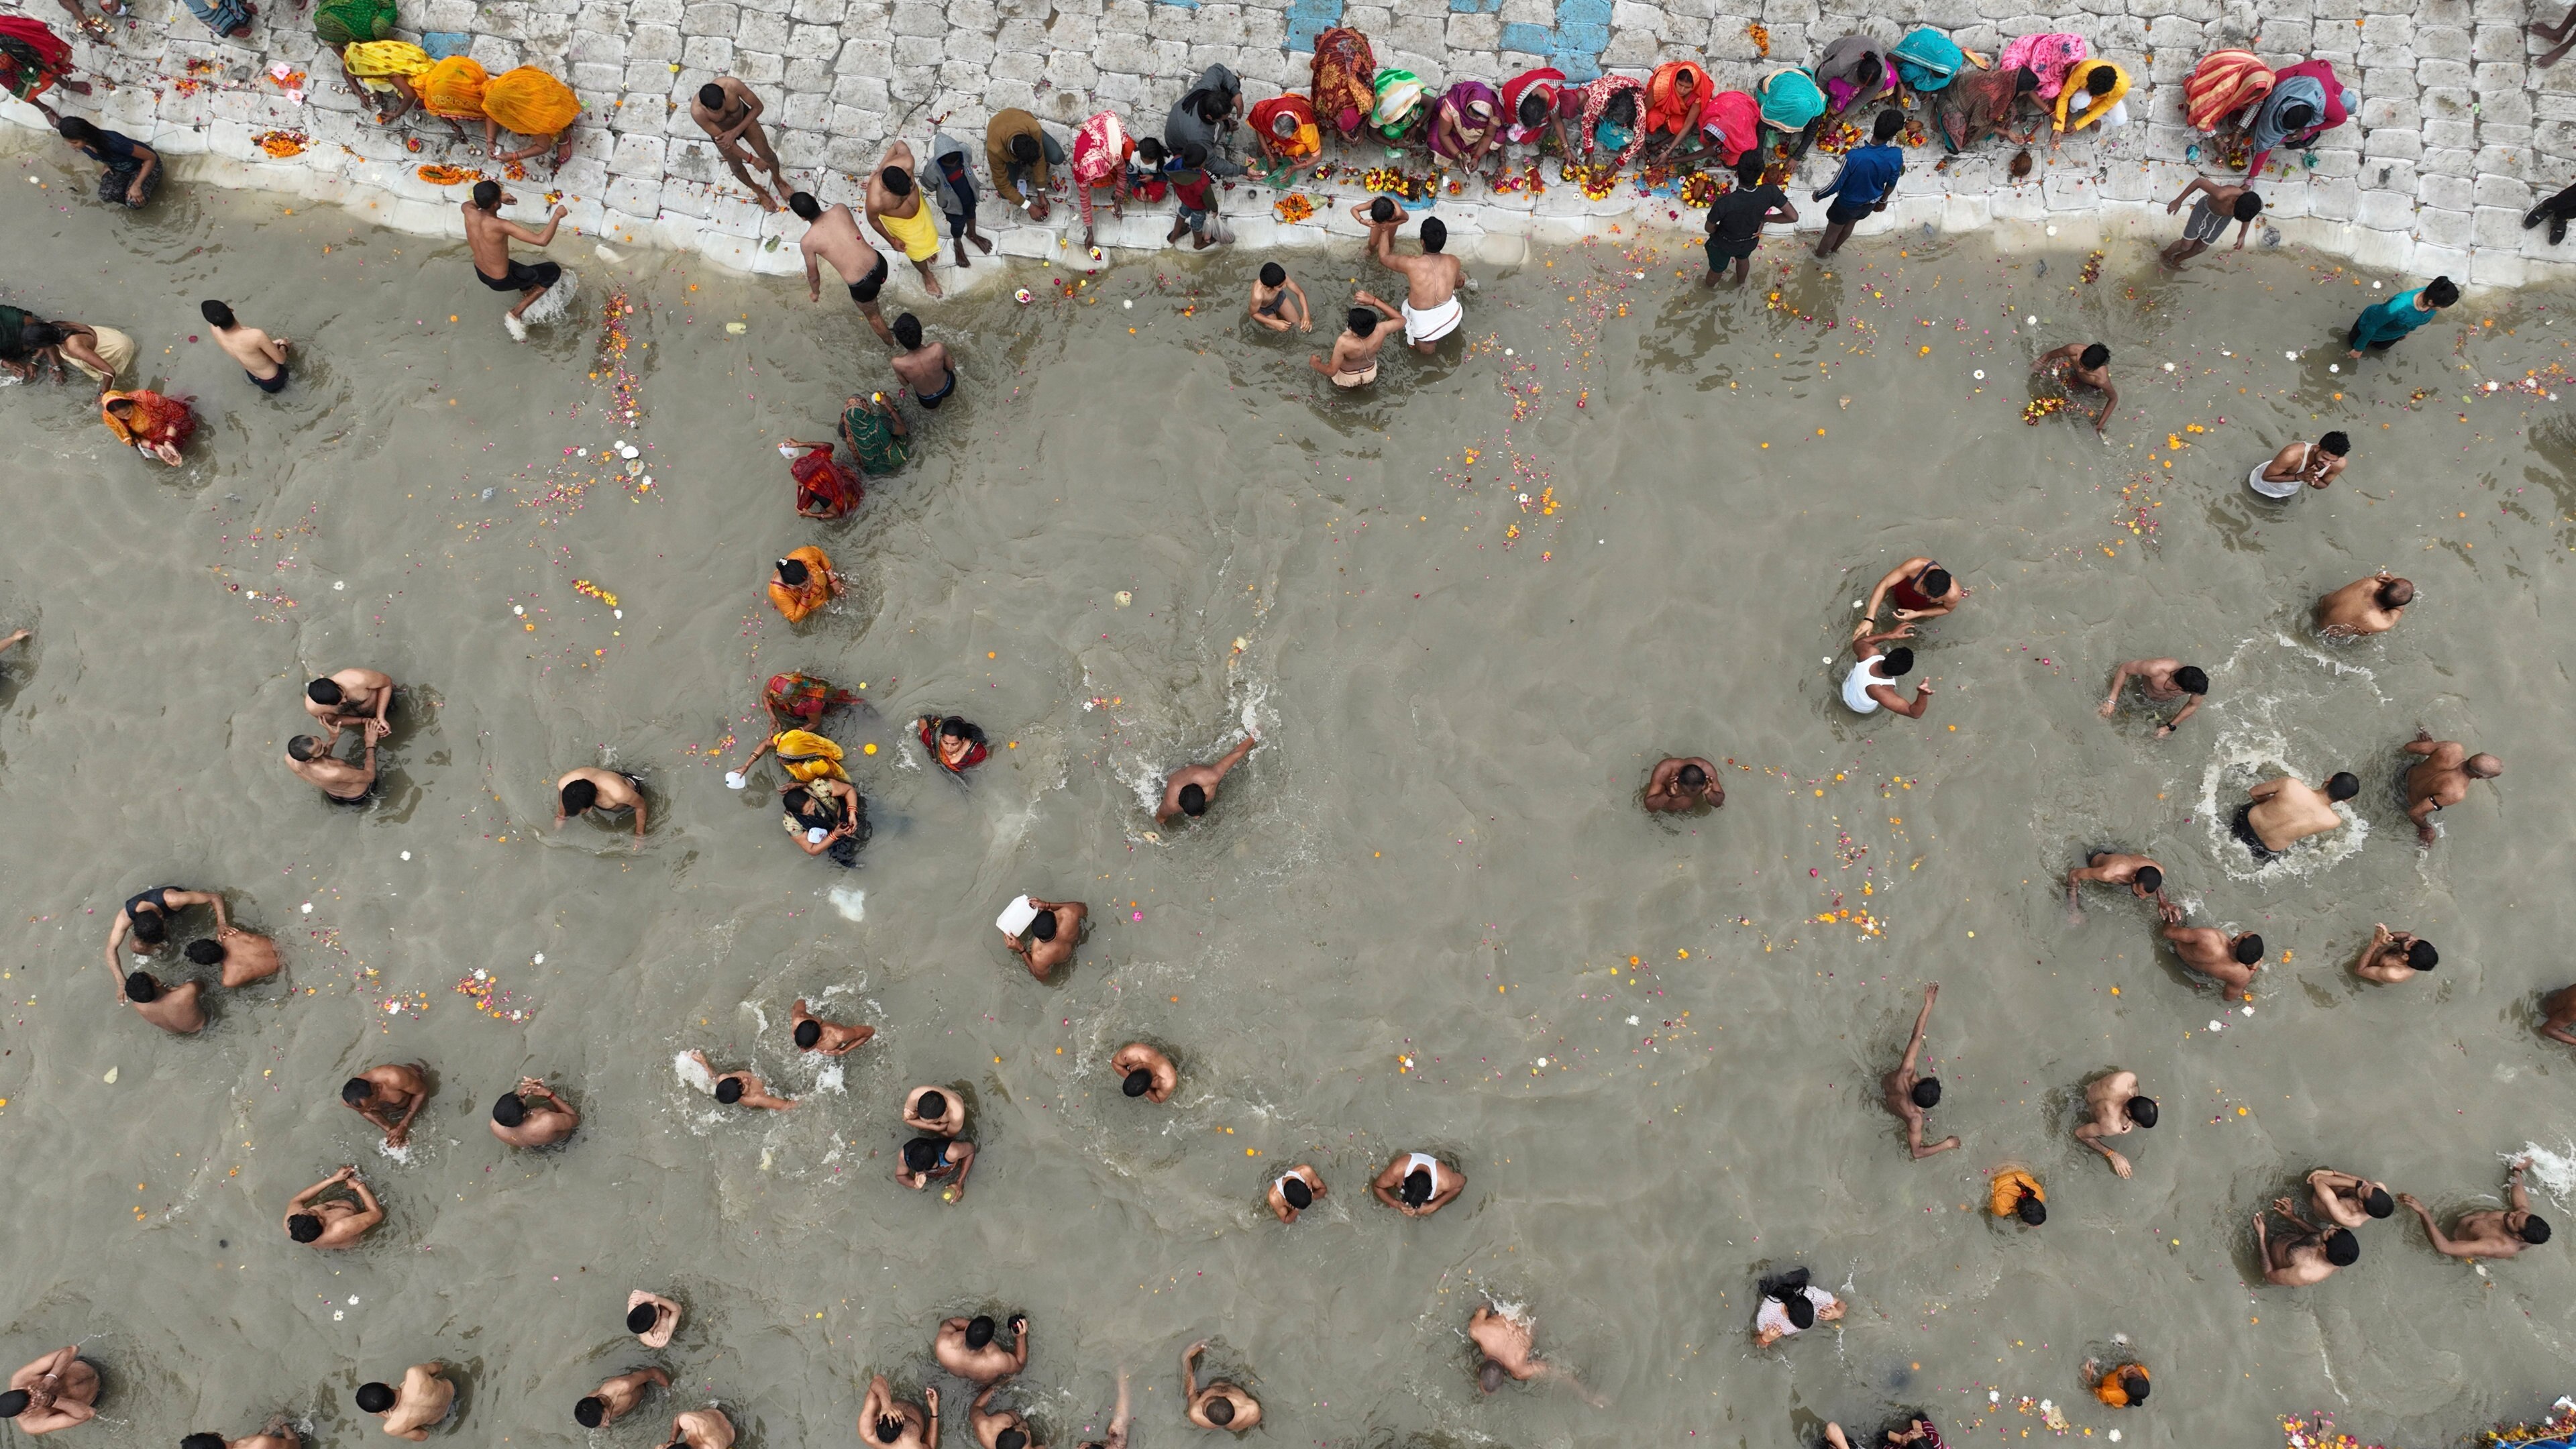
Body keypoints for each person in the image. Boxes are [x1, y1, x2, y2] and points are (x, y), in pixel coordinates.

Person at [462, 180, 569, 339]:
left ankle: (527, 291)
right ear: (496, 204)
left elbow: (470, 203)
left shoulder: (468, 210)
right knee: (552, 270)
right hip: (501, 280)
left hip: (481, 272)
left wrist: (498, 199)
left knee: (525, 273)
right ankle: (516, 313)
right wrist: (557, 216)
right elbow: (542, 241)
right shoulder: (501, 225)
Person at [792, 191, 898, 345]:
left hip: (862, 285)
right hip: (879, 265)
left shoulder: (808, 242)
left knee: (874, 317)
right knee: (874, 294)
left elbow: (813, 276)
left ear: (802, 217)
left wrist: (815, 293)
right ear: (815, 200)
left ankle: (893, 345)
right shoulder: (840, 209)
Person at [2401, 1159, 2553, 1259]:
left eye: (2514, 1220)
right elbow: (2521, 1202)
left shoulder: (2496, 1245)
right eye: (2518, 1214)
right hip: (2466, 1220)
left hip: (2455, 1237)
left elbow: (2444, 1247)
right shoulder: (2523, 1218)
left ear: (2519, 1237)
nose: (2512, 1214)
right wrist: (2517, 1170)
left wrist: (2423, 1212)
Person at [1811, 109, 1906, 259]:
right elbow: (1892, 181)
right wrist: (1883, 200)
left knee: (1832, 232)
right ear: (1892, 135)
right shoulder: (1896, 155)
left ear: (1875, 126)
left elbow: (1836, 185)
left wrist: (1818, 195)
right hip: (1869, 204)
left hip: (1846, 204)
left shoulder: (1854, 157)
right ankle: (1834, 251)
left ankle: (1818, 258)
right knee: (1850, 225)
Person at [1880, 983, 1960, 1159]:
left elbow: (1917, 1036)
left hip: (1885, 1086)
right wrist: (1948, 1144)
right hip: (1892, 1107)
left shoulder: (1906, 1071)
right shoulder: (1915, 1118)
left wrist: (1928, 1004)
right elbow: (1916, 1153)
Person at [1468, 1303, 1596, 1401]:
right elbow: (1484, 1306)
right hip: (1513, 1309)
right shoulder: (1477, 1331)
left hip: (1532, 1317)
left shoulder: (1519, 1370)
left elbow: (1553, 1371)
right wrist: (1585, 1393)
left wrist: (1585, 1394)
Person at [690, 77, 784, 211]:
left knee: (767, 154)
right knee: (736, 166)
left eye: (723, 107)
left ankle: (778, 180)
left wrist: (735, 132)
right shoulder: (698, 112)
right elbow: (725, 141)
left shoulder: (732, 85)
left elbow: (758, 107)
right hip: (722, 133)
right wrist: (752, 160)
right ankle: (758, 190)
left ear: (724, 95)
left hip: (744, 120)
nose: (722, 113)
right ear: (706, 108)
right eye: (717, 113)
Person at [1701, 156, 1795, 287]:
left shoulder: (1725, 203)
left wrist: (1718, 231)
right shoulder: (1770, 191)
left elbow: (1708, 228)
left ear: (1738, 173)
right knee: (1743, 259)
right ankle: (1740, 285)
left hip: (1724, 244)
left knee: (1717, 269)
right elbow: (1793, 217)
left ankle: (1707, 289)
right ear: (1760, 174)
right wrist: (1764, 218)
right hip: (1749, 241)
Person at [1376, 216, 1464, 354]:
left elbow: (1384, 257)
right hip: (1452, 316)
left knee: (1426, 352)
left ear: (1422, 242)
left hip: (1425, 330)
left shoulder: (1412, 264)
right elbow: (1459, 284)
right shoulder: (1454, 261)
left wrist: (1384, 229)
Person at [867, 144, 945, 297]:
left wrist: (878, 169)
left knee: (930, 235)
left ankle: (927, 251)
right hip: (903, 225)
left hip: (921, 211)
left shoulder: (907, 162)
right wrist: (892, 241)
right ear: (887, 189)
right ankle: (926, 274)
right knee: (916, 253)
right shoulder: (876, 200)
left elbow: (898, 145)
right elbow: (873, 221)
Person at [2231, 771, 2359, 860]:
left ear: (2329, 779)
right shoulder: (2333, 821)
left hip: (2244, 821)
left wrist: (2270, 806)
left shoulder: (2291, 784)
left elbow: (2254, 792)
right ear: (2347, 800)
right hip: (2264, 850)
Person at [2403, 731, 2502, 845]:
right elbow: (2414, 813)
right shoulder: (2456, 793)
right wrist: (2426, 829)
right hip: (2404, 799)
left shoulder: (2452, 748)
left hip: (2404, 773)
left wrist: (2429, 745)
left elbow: (2408, 747)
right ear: (2480, 777)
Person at [479, 65, 582, 170]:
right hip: (552, 93)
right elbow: (491, 114)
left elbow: (543, 147)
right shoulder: (506, 82)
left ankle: (564, 140)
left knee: (554, 129)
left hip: (555, 112)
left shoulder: (532, 118)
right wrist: (490, 142)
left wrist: (513, 156)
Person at [105, 885, 227, 973]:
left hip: (175, 907)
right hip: (153, 924)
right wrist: (121, 981)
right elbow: (111, 949)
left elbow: (215, 897)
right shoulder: (125, 917)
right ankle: (164, 950)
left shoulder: (173, 900)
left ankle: (165, 945)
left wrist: (221, 923)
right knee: (136, 946)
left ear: (161, 917)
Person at [0, 17, 88, 126]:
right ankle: (45, 109)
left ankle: (64, 83)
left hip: (4, 36)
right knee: (14, 84)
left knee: (40, 62)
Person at [56, 114, 157, 209]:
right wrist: (107, 165)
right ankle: (130, 194)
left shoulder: (115, 143)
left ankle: (142, 198)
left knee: (134, 203)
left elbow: (151, 158)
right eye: (69, 142)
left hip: (145, 166)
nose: (72, 146)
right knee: (105, 194)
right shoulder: (85, 146)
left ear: (85, 137)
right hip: (121, 168)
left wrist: (137, 185)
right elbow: (102, 155)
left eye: (74, 142)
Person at [2160, 176, 2262, 268]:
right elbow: (2199, 182)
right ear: (2234, 201)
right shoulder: (2223, 194)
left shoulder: (2254, 205)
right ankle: (2165, 255)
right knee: (2185, 245)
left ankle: (2176, 260)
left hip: (2222, 220)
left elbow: (2248, 217)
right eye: (2235, 214)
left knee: (2201, 248)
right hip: (2205, 212)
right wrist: (2178, 202)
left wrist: (2242, 236)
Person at [2073, 1069, 2157, 1178]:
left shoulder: (2127, 1078)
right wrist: (2112, 1154)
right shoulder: (2113, 1125)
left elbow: (2135, 1093)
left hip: (2090, 1086)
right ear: (2128, 1112)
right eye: (2137, 1124)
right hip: (2084, 1103)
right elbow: (2080, 1134)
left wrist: (2131, 1119)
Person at [1156, 733, 1258, 821]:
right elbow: (1160, 817)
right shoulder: (1170, 804)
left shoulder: (1211, 776)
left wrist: (1256, 734)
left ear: (1204, 794)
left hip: (1193, 769)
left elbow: (1236, 753)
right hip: (1175, 773)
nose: (1196, 818)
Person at [1307, 293, 1403, 388]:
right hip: (1370, 374)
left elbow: (1331, 372)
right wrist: (1374, 301)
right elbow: (1402, 320)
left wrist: (1315, 364)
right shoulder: (1381, 329)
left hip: (1347, 377)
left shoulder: (1344, 342)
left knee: (1341, 389)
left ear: (1353, 330)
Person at [2348, 276, 2458, 358]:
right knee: (2352, 344)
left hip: (2394, 333)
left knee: (2380, 348)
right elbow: (2372, 326)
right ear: (2431, 302)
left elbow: (2419, 320)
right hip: (2369, 326)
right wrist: (2358, 348)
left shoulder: (2432, 302)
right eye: (2443, 306)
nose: (2444, 309)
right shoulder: (2398, 307)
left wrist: (2408, 332)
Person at [2098, 659, 2208, 737]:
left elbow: (2193, 705)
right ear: (2179, 686)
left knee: (2155, 736)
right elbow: (2125, 668)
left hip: (2162, 705)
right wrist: (2112, 700)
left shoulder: (2196, 686)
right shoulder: (2156, 669)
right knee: (2103, 716)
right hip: (2137, 690)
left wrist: (2169, 727)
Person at [2257, 1199, 2359, 1283]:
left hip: (2270, 1252)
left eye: (2329, 1232)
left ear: (2323, 1248)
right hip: (2287, 1237)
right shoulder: (2335, 1252)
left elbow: (2269, 1276)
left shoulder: (2304, 1273)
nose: (2331, 1225)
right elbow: (2317, 1234)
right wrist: (2293, 1218)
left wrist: (2261, 1236)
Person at [987, 107, 1067, 214]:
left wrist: (1041, 193)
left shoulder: (1034, 129)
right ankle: (1015, 166)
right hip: (999, 132)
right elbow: (1001, 184)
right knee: (1004, 193)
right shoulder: (995, 150)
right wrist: (1029, 207)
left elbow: (1039, 160)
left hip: (1021, 121)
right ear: (1016, 157)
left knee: (1057, 157)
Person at [0, 1347, 97, 1434]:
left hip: (89, 1364)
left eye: (27, 1392)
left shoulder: (21, 1378)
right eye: (29, 1401)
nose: (33, 1394)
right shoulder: (32, 1424)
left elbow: (72, 1350)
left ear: (21, 1388)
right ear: (25, 1412)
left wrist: (47, 1381)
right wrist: (52, 1401)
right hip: (99, 1395)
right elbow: (89, 1413)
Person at [282, 1165, 384, 1247]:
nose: (303, 1209)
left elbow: (297, 1200)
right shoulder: (340, 1228)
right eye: (309, 1211)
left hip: (341, 1209)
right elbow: (377, 1214)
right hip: (355, 1226)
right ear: (321, 1221)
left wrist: (334, 1179)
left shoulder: (292, 1224)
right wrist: (359, 1186)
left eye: (303, 1211)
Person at [201, 299, 289, 394]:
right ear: (231, 309)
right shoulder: (256, 335)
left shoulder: (215, 330)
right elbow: (281, 360)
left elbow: (246, 347)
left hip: (252, 375)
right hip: (273, 378)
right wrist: (284, 346)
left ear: (214, 324)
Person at [2064, 851, 2179, 923]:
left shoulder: (2159, 870)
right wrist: (2073, 910)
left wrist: (2163, 900)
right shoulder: (2109, 874)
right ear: (2134, 877)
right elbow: (2074, 874)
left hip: (2119, 855)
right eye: (2139, 893)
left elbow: (2154, 878)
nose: (2142, 898)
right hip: (2098, 857)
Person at [338, 39, 433, 125]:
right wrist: (361, 96)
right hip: (397, 54)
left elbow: (410, 95)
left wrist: (396, 114)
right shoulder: (359, 55)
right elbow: (345, 71)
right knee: (367, 78)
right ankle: (379, 89)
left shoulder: (387, 71)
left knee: (403, 98)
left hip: (415, 65)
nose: (351, 76)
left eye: (355, 75)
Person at [2032, 341, 2118, 435]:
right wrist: (2032, 370)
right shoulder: (2073, 350)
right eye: (2080, 364)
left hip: (2090, 387)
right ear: (2082, 353)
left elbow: (2113, 399)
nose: (2081, 370)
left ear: (2096, 368)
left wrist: (2100, 425)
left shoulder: (2101, 379)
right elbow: (2049, 355)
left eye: (2086, 369)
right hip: (2072, 374)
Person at [2161, 922, 2263, 1000]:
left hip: (2173, 949)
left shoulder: (2211, 937)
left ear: (2234, 943)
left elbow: (2168, 933)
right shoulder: (2240, 975)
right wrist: (2253, 970)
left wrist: (2172, 918)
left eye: (2245, 934)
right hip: (2193, 972)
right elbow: (2228, 998)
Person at [1845, 628, 1932, 718]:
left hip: (1847, 686)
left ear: (1886, 656)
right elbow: (1915, 713)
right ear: (1902, 674)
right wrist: (1923, 695)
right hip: (1857, 707)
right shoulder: (1883, 690)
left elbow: (1858, 643)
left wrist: (1890, 634)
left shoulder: (1869, 653)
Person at [1859, 557, 1968, 629]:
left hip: (1917, 608)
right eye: (1926, 592)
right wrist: (1869, 618)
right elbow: (1885, 583)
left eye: (1933, 596)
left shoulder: (1953, 594)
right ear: (1924, 579)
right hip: (1900, 590)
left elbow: (1947, 609)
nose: (1928, 596)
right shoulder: (1916, 566)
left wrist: (1918, 614)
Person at [356, 1363, 453, 1441]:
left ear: (379, 1412)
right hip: (454, 1389)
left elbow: (423, 1436)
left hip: (446, 1418)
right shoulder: (415, 1373)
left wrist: (388, 1417)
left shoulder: (392, 1427)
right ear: (385, 1384)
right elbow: (439, 1367)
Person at [782, 778, 867, 866]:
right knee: (842, 855)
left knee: (867, 830)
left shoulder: (820, 787)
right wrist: (834, 835)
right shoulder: (791, 822)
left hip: (844, 814)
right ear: (798, 814)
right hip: (828, 835)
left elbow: (849, 790)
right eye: (808, 811)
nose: (813, 809)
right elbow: (812, 850)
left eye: (812, 803)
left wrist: (852, 813)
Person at [101, 390, 197, 466]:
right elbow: (134, 439)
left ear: (131, 403)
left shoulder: (147, 399)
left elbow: (176, 415)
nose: (126, 418)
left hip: (171, 427)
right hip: (150, 439)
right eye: (121, 417)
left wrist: (168, 442)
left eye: (129, 412)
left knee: (191, 444)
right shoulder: (110, 418)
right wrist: (157, 447)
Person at [343, 1063, 431, 1146]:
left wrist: (404, 1124)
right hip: (396, 1109)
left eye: (371, 1106)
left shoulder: (395, 1078)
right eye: (364, 1109)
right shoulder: (350, 1101)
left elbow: (422, 1092)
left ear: (375, 1089)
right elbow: (365, 1112)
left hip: (418, 1085)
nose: (369, 1111)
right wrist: (392, 1131)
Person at [304, 666, 395, 743]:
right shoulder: (315, 708)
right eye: (338, 704)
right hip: (361, 719)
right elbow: (334, 721)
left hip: (385, 703)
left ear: (339, 686)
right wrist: (365, 721)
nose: (344, 701)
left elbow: (386, 684)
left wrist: (380, 717)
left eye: (343, 695)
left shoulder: (358, 679)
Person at [1181, 1342, 1259, 1432]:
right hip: (1237, 1418)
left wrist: (1187, 1357)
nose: (1201, 1402)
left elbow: (1191, 1392)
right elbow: (1190, 1391)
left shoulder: (1196, 1414)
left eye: (1204, 1403)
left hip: (1236, 1418)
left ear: (1223, 1395)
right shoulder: (1251, 1410)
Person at [1752, 1269, 1842, 1346]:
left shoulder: (1812, 1295)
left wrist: (1837, 1312)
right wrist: (1766, 1339)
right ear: (1788, 1313)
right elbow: (1757, 1341)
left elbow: (1841, 1303)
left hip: (1796, 1293)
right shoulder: (1769, 1313)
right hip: (1777, 1296)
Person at [782, 437, 864, 519]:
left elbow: (835, 514)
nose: (799, 484)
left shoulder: (818, 492)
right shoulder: (818, 459)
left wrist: (810, 515)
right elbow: (829, 446)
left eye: (801, 481)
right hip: (849, 482)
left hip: (847, 503)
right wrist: (799, 444)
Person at [888, 314, 957, 411]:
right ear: (921, 332)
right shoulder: (937, 348)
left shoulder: (898, 363)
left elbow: (905, 384)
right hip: (948, 386)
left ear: (900, 341)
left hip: (927, 399)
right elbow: (951, 367)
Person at [2251, 431, 2349, 499]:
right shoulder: (2291, 454)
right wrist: (2300, 476)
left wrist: (2311, 479)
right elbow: (2266, 477)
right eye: (2325, 458)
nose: (2326, 464)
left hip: (2289, 490)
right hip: (2263, 483)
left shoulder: (2339, 464)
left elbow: (2324, 485)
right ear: (2317, 448)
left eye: (2332, 461)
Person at [1428, 81, 1502, 170]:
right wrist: (1459, 155)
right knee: (1434, 142)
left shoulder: (1492, 113)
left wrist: (1476, 158)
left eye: (1481, 118)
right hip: (1453, 132)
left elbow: (1488, 135)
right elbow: (1444, 135)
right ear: (1467, 105)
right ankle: (1462, 152)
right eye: (1474, 115)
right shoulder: (1452, 106)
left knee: (1500, 137)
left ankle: (1471, 152)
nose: (1476, 119)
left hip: (1476, 138)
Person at [2314, 572, 2412, 637]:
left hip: (2321, 603)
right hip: (2326, 633)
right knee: (2366, 633)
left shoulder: (2371, 582)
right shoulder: (2378, 622)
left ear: (2383, 586)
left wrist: (2390, 581)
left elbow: (2386, 577)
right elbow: (2399, 610)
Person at [1006, 898, 1085, 978]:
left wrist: (1021, 949)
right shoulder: (1069, 914)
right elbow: (1083, 908)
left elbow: (1042, 977)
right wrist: (1046, 905)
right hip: (1079, 942)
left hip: (1062, 961)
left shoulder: (1040, 955)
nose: (1050, 910)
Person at [555, 767, 647, 837]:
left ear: (590, 808)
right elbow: (563, 792)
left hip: (629, 787)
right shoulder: (564, 782)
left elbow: (641, 806)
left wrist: (639, 834)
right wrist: (561, 816)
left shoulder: (618, 793)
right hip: (607, 777)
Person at [687, 1051, 795, 1110]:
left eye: (738, 1079)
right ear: (742, 1095)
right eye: (744, 1087)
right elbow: (786, 1106)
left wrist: (704, 1063)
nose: (746, 1080)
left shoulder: (724, 1078)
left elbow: (713, 1078)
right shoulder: (756, 1098)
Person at [490, 1075, 580, 1146]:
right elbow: (575, 1120)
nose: (520, 1095)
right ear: (524, 1115)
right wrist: (548, 1094)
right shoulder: (547, 1122)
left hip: (536, 1142)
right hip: (565, 1138)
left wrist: (524, 1092)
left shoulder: (495, 1125)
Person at [1165, 142, 1224, 250]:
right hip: (1198, 206)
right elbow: (1209, 199)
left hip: (1184, 198)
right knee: (1197, 225)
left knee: (1182, 214)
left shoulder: (1176, 162)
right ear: (1200, 166)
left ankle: (1173, 238)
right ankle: (1198, 244)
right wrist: (1215, 209)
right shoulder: (1202, 180)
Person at [1371, 1150, 1464, 1216]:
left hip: (1439, 1168)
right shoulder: (1397, 1171)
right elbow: (1377, 1186)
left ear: (1433, 1191)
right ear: (1404, 1181)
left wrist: (1434, 1205)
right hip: (1407, 1162)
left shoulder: (1445, 1181)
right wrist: (1396, 1204)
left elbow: (1461, 1183)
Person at [841, 390, 912, 476]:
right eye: (865, 405)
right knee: (895, 412)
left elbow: (842, 435)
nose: (867, 406)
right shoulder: (881, 422)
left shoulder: (847, 425)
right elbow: (903, 430)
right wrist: (888, 406)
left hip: (871, 468)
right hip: (894, 459)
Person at [185, 924, 281, 987]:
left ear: (209, 964)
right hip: (281, 946)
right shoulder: (230, 935)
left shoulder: (230, 979)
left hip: (280, 969)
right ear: (213, 941)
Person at [936, 1316, 1026, 1383]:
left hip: (954, 1369)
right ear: (987, 1344)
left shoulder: (943, 1345)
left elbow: (949, 1322)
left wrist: (974, 1329)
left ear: (966, 1329)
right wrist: (1020, 1337)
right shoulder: (996, 1362)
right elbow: (1019, 1365)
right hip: (982, 1381)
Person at [574, 1368, 669, 1430]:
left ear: (602, 1403)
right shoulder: (589, 1409)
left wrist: (669, 1392)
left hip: (645, 1388)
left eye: (606, 1418)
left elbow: (653, 1372)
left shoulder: (623, 1386)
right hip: (633, 1408)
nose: (607, 1423)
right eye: (603, 1422)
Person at [2348, 922, 2438, 985]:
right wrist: (2390, 936)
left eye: (2410, 943)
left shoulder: (2393, 973)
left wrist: (2375, 944)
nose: (2411, 939)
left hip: (2374, 970)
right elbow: (2408, 936)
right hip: (2381, 952)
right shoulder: (2417, 946)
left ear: (2405, 956)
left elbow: (2360, 971)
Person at [120, 967, 205, 1033]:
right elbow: (203, 985)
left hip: (177, 1034)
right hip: (204, 1026)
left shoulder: (139, 1006)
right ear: (157, 983)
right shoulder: (187, 992)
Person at [769, 546, 843, 623]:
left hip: (826, 589)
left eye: (810, 578)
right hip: (816, 608)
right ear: (791, 585)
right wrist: (805, 596)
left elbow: (820, 554)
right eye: (805, 585)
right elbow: (795, 618)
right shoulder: (779, 594)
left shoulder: (805, 555)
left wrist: (832, 579)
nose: (811, 583)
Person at [1248, 93, 1319, 171]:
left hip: (1301, 109)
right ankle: (1277, 151)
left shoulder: (1308, 128)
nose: (1279, 139)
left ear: (1295, 130)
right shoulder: (1264, 111)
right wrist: (1269, 156)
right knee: (1266, 141)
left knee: (1300, 149)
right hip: (1283, 106)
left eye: (1283, 138)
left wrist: (1295, 168)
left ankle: (1278, 151)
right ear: (1274, 121)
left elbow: (1317, 157)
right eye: (1277, 135)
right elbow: (1258, 130)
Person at [861, 1377, 937, 1449]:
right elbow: (930, 1447)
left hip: (897, 1398)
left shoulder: (869, 1433)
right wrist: (934, 1412)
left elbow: (877, 1380)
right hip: (922, 1409)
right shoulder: (912, 1447)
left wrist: (886, 1405)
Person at [2307, 1168, 2396, 1229]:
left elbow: (2317, 1179)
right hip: (2336, 1192)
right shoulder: (2380, 1188)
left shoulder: (2347, 1217)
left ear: (2361, 1203)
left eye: (2364, 1187)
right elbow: (2364, 1183)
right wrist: (2334, 1173)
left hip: (2315, 1201)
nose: (2365, 1183)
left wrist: (2358, 1185)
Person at [900, 1135, 975, 1198]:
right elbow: (900, 1175)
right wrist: (914, 1184)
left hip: (948, 1159)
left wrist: (959, 1182)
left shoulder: (951, 1152)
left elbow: (971, 1150)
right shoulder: (904, 1155)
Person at [792, 998, 874, 1055]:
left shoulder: (838, 1035)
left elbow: (870, 1031)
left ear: (820, 1039)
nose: (802, 1051)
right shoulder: (798, 1019)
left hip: (836, 1029)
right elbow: (800, 1002)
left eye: (807, 1048)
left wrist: (843, 1050)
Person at [1643, 756, 1723, 812]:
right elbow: (1649, 807)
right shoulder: (1664, 771)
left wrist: (1709, 793)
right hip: (1666, 811)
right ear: (1676, 780)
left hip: (1691, 811)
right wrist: (1669, 793)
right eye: (1684, 792)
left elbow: (1718, 804)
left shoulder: (1707, 770)